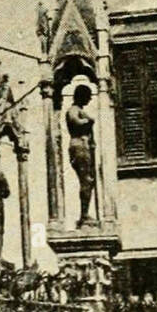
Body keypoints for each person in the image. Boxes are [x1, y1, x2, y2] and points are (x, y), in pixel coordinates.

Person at [66, 83, 97, 227]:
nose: (90, 99)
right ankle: (83, 216)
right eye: (88, 96)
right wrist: (89, 120)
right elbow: (77, 123)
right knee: (86, 180)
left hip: (85, 146)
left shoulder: (79, 110)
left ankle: (84, 214)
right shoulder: (73, 110)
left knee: (89, 181)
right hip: (79, 146)